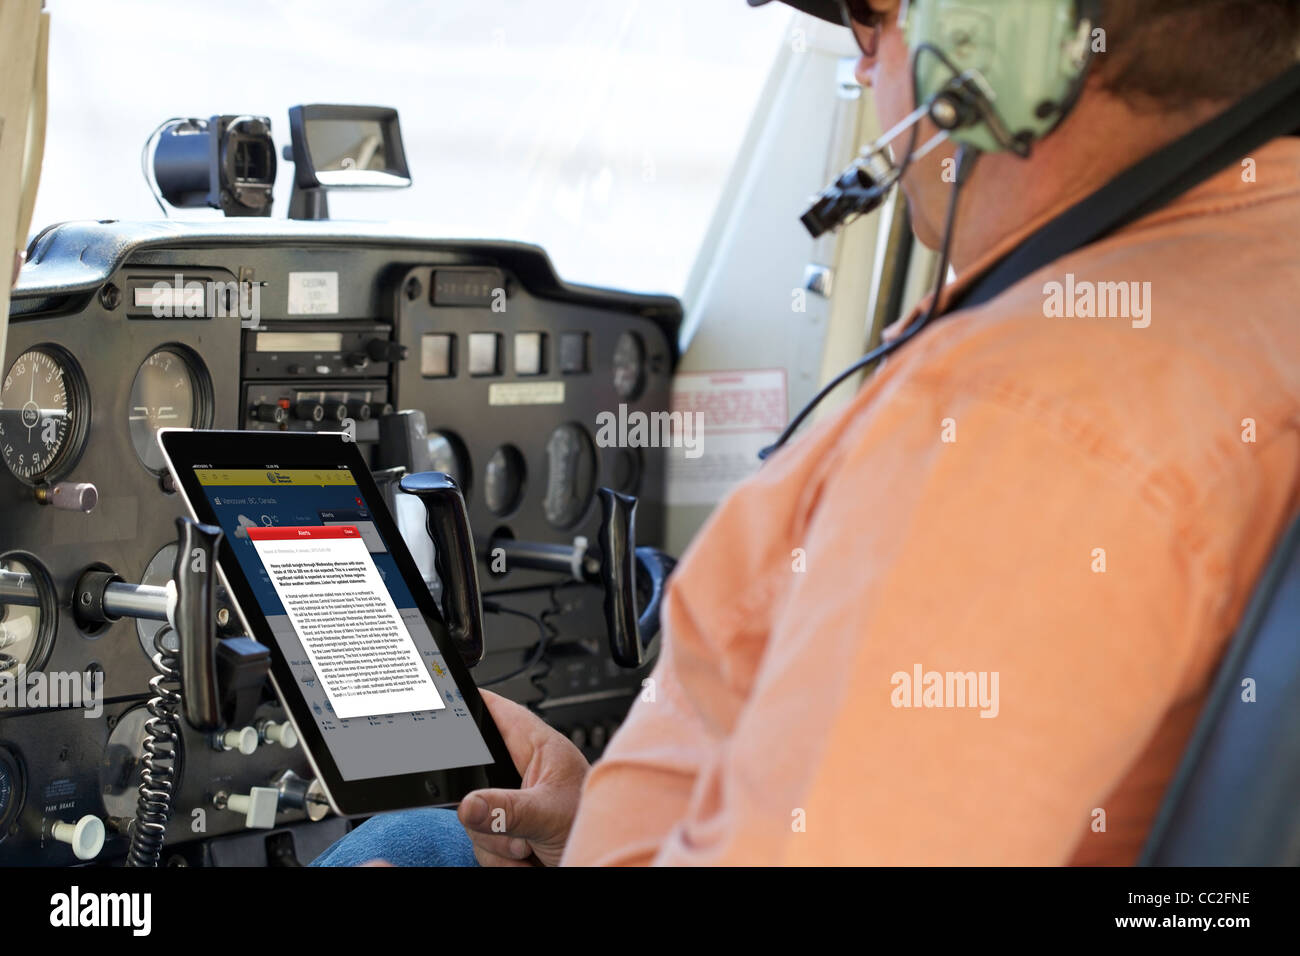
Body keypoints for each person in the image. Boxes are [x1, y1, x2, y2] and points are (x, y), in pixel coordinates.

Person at [314, 0, 1300, 866]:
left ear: (1007, 29)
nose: (864, 64)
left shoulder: (1019, 424)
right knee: (425, 839)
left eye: (871, 13)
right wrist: (595, 826)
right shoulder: (1259, 263)